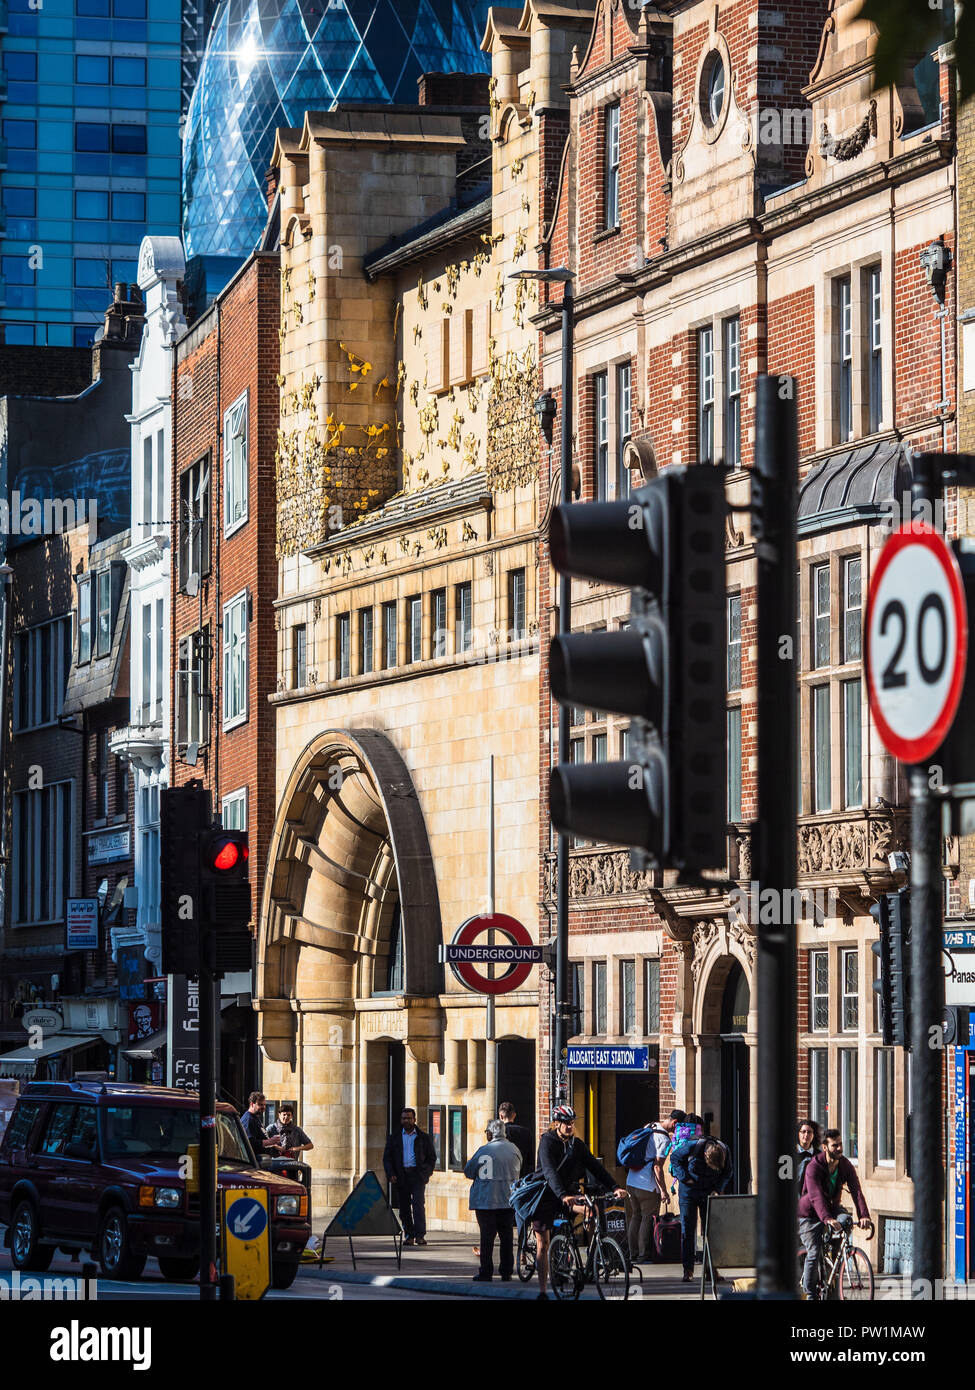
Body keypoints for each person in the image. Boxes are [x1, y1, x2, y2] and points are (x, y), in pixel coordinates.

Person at [531, 1104, 626, 1300]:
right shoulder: (547, 1142)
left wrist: (615, 1187)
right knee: (543, 1243)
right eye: (565, 1123)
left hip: (569, 1195)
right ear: (556, 1123)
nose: (569, 1126)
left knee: (592, 1211)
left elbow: (595, 1167)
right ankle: (542, 1290)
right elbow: (549, 1171)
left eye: (572, 1123)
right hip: (546, 1195)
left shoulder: (577, 1144)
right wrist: (561, 1194)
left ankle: (590, 1261)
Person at [798, 1128, 872, 1299]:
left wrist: (864, 1215)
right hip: (809, 1214)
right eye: (834, 1145)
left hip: (831, 1209)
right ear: (825, 1147)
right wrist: (827, 1218)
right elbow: (815, 1195)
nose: (839, 1148)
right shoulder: (814, 1167)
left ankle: (839, 1257)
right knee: (814, 1251)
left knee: (846, 1220)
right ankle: (810, 1293)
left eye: (840, 1144)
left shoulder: (845, 1165)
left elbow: (856, 1191)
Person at [669, 1134, 733, 1283]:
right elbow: (674, 1159)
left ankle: (711, 1270)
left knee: (711, 1231)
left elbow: (727, 1172)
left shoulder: (725, 1150)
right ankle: (688, 1270)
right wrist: (685, 1178)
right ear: (705, 1155)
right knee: (688, 1230)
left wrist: (718, 1188)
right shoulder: (692, 1146)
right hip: (688, 1192)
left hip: (708, 1192)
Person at [464, 1118, 522, 1281]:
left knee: (487, 1238)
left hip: (486, 1201)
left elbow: (468, 1171)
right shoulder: (514, 1149)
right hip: (507, 1200)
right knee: (507, 1238)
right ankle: (506, 1271)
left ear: (490, 1134)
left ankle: (486, 1271)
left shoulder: (484, 1150)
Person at [625, 1110, 683, 1263]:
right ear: (675, 1123)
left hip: (631, 1180)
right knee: (646, 1219)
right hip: (647, 1185)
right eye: (678, 1127)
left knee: (635, 1216)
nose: (677, 1131)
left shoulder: (650, 1126)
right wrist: (663, 1191)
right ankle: (643, 1254)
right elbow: (657, 1167)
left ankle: (632, 1253)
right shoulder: (664, 1139)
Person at [383, 1106, 437, 1247]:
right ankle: (409, 1235)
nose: (406, 1120)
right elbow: (387, 1158)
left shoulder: (423, 1138)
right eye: (403, 1118)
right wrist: (391, 1174)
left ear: (414, 1120)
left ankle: (420, 1235)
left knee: (418, 1205)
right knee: (404, 1207)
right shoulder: (394, 1138)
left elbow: (432, 1157)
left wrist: (426, 1173)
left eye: (409, 1118)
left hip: (417, 1176)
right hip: (401, 1176)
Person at [240, 1092, 283, 1157]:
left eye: (264, 1105)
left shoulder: (255, 1117)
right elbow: (249, 1143)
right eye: (260, 1104)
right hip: (257, 1161)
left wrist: (273, 1143)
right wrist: (270, 1141)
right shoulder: (248, 1119)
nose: (263, 1107)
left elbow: (261, 1139)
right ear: (252, 1104)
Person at [498, 1101, 533, 1178]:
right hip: (523, 1177)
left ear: (501, 1116)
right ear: (514, 1115)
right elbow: (530, 1159)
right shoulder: (526, 1132)